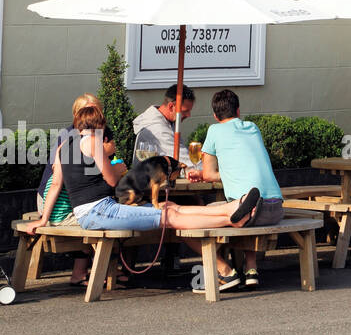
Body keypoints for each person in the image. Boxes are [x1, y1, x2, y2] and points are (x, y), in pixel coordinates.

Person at [19, 107, 262, 247]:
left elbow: (55, 187)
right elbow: (113, 180)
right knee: (168, 216)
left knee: (170, 206)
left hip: (89, 212)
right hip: (100, 210)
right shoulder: (92, 141)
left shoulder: (63, 147)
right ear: (99, 125)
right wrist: (117, 166)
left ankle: (233, 207)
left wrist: (43, 219)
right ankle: (231, 218)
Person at [188, 89, 283, 289]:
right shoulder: (252, 127)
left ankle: (225, 272)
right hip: (275, 208)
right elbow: (244, 165)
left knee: (202, 214)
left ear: (215, 115)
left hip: (252, 211)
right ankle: (250, 268)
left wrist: (202, 174)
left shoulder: (214, 131)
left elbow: (208, 174)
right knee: (241, 206)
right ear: (238, 111)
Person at [35, 94, 118, 288]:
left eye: (96, 110)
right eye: (88, 110)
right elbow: (60, 175)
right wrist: (103, 152)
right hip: (56, 200)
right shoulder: (69, 137)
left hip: (82, 195)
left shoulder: (103, 132)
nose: (93, 115)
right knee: (96, 217)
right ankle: (102, 272)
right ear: (77, 115)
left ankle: (87, 272)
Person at [133, 83, 196, 167]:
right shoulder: (158, 129)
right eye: (185, 111)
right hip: (149, 178)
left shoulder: (168, 121)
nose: (189, 115)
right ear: (171, 107)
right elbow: (188, 161)